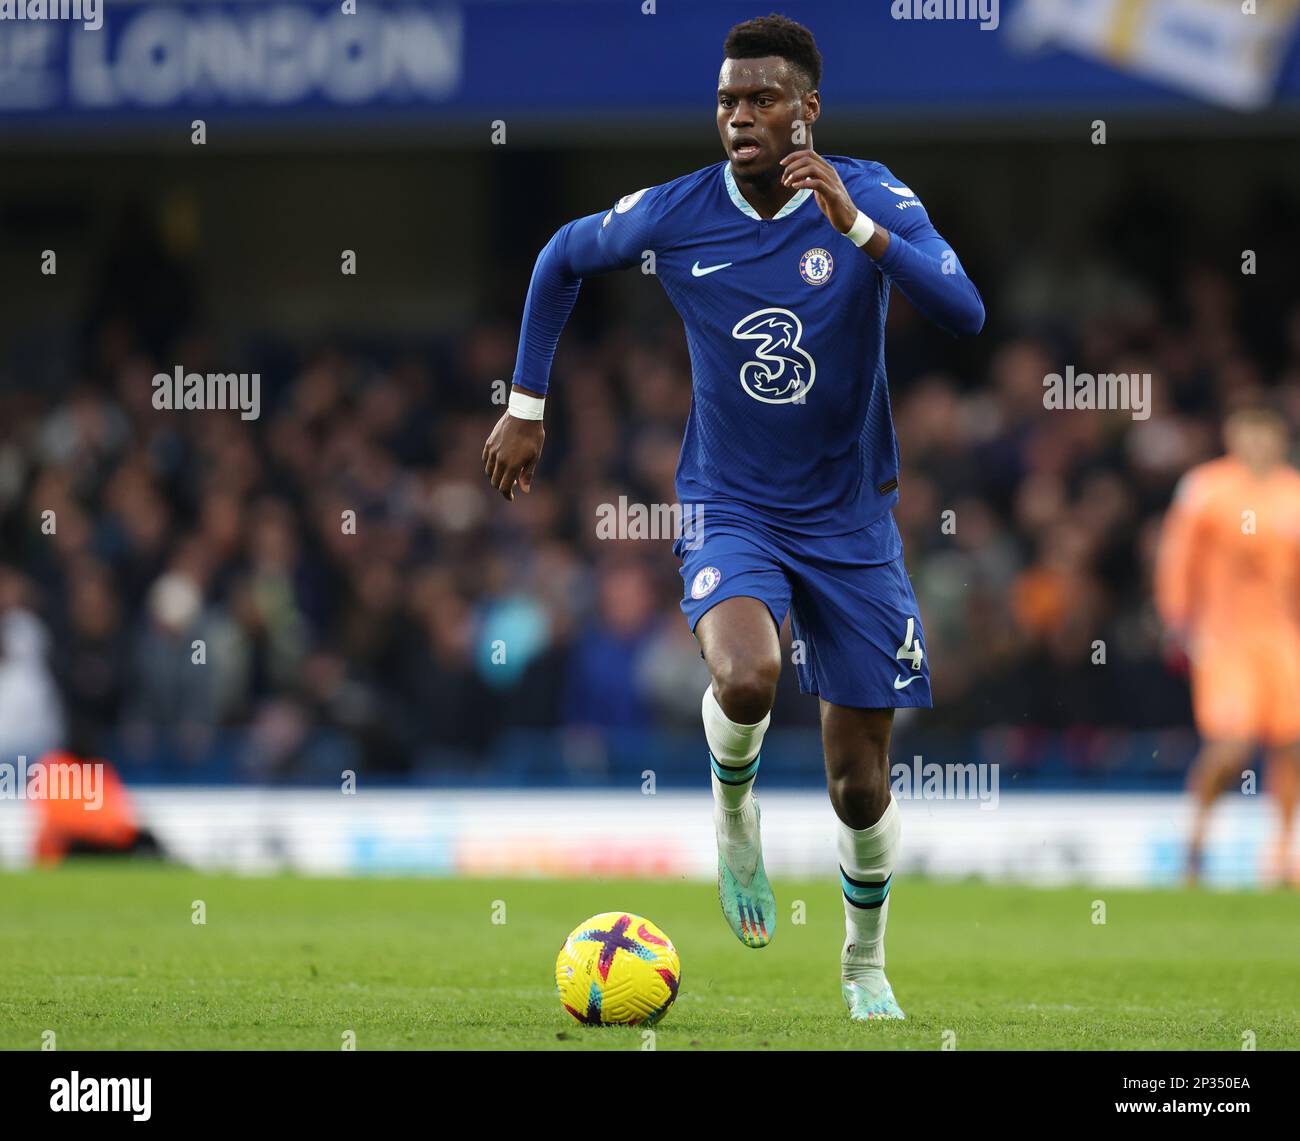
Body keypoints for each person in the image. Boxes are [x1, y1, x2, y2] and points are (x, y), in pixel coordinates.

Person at [482, 14, 984, 1019]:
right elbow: (558, 256)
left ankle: (862, 963)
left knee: (859, 786)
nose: (739, 117)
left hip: (851, 521)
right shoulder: (677, 213)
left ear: (808, 108)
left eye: (761, 99)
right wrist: (525, 406)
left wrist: (855, 230)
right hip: (732, 504)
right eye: (725, 101)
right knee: (747, 675)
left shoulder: (871, 192)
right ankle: (732, 811)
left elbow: (963, 310)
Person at [1155, 407, 1300, 886]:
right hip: (1224, 637)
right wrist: (1177, 618)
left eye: (1267, 433)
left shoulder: (1293, 492)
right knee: (1231, 746)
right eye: (1249, 431)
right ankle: (1195, 844)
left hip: (1282, 638)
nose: (1258, 442)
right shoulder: (1206, 488)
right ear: (1233, 434)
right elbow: (1177, 555)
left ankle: (1280, 857)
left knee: (1291, 746)